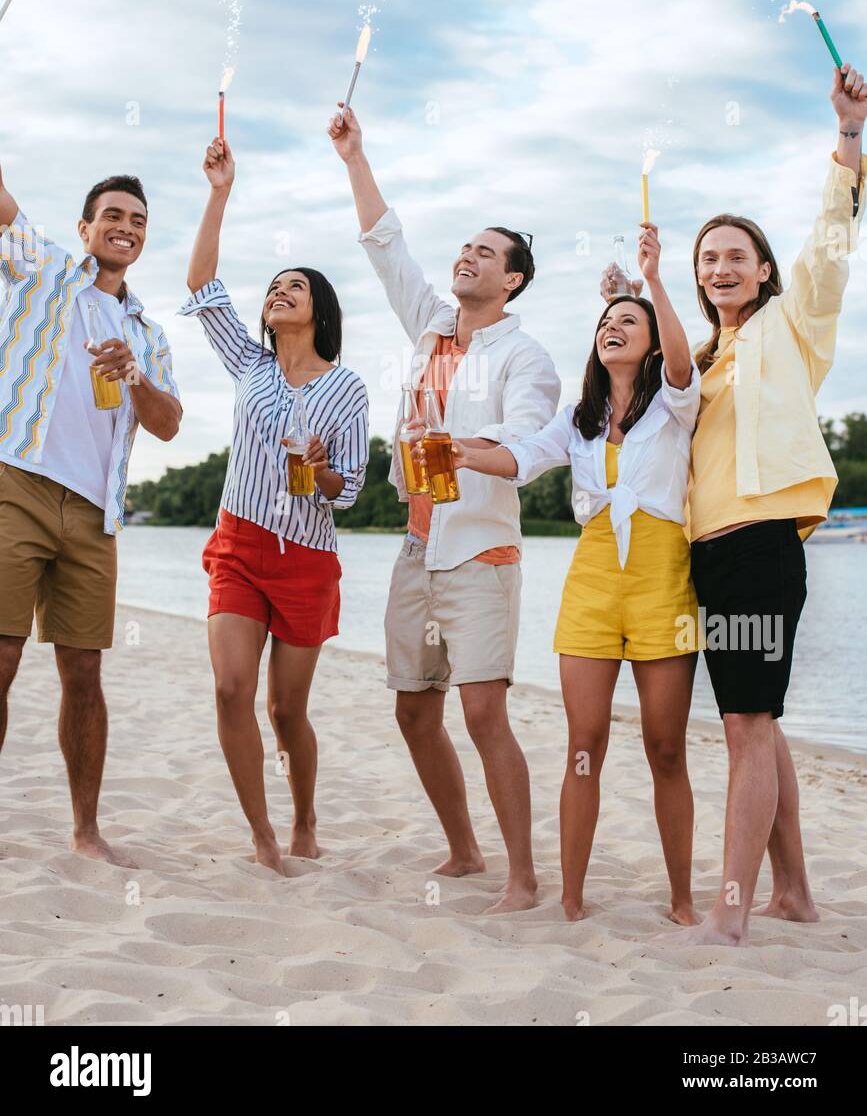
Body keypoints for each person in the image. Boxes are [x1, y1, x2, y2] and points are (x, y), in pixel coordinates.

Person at [328, 105, 560, 914]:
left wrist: (459, 441)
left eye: (486, 253)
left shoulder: (523, 356)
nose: (467, 257)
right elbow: (385, 246)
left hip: (479, 555)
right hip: (415, 548)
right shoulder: (432, 327)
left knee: (483, 711)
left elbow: (526, 442)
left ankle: (522, 877)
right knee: (412, 709)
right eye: (465, 247)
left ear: (513, 279)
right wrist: (356, 156)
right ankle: (463, 850)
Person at [449, 224, 702, 922]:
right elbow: (521, 456)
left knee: (665, 749)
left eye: (628, 324)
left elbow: (681, 362)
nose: (613, 329)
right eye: (606, 322)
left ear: (649, 342)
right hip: (591, 588)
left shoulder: (675, 404)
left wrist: (650, 283)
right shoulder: (578, 419)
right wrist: (462, 452)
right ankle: (568, 898)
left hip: (662, 586)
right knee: (583, 745)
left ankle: (681, 899)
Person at [679, 63, 866, 945]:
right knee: (760, 719)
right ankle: (793, 891)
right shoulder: (701, 366)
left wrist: (847, 137)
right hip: (705, 554)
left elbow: (830, 241)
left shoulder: (790, 329)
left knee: (745, 722)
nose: (720, 267)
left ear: (760, 270)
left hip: (759, 544)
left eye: (733, 255)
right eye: (707, 258)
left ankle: (731, 908)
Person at [181, 138, 369, 876]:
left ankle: (305, 817)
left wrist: (322, 473)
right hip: (239, 545)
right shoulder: (249, 364)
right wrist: (220, 192)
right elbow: (201, 283)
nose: (278, 292)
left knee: (286, 711)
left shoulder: (347, 387)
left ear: (319, 308)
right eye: (274, 287)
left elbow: (346, 491)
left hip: (307, 561)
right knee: (231, 688)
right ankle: (261, 833)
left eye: (295, 286)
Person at [0, 162, 182, 862]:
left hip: (95, 511)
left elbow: (166, 424)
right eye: (112, 215)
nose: (125, 227)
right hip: (18, 481)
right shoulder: (42, 270)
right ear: (86, 228)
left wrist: (135, 376)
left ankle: (86, 830)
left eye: (136, 220)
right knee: (3, 654)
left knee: (84, 673)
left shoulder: (148, 332)